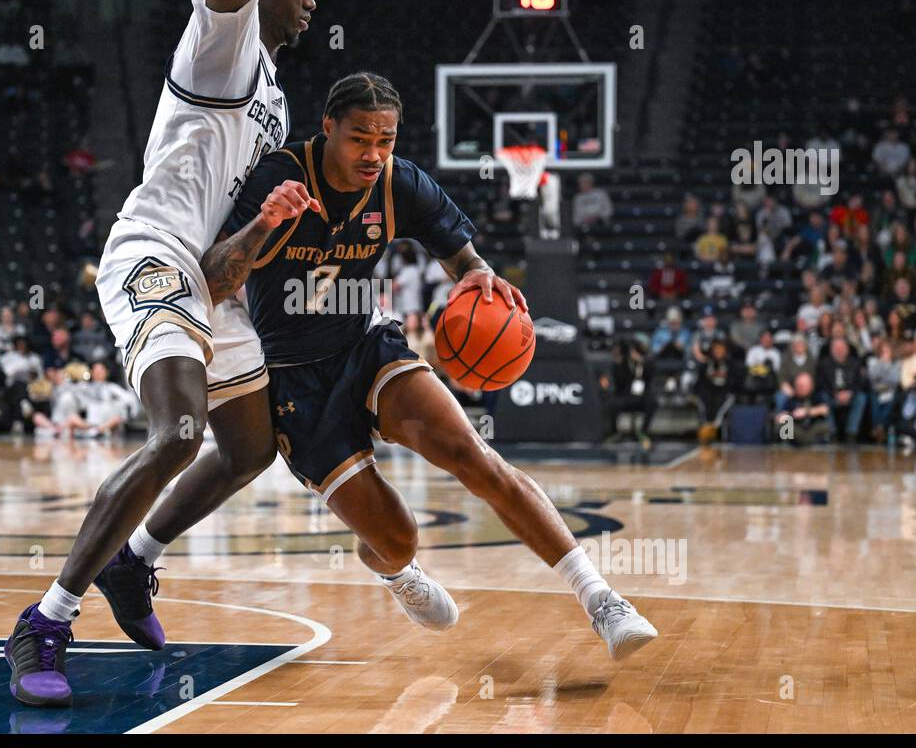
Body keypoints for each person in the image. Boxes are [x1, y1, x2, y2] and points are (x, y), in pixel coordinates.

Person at [135, 74, 658, 663]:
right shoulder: (279, 175)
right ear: (327, 127)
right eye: (361, 138)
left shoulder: (397, 182)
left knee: (472, 455)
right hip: (293, 378)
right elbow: (212, 281)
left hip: (366, 343)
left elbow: (461, 254)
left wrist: (478, 273)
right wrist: (264, 224)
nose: (374, 153)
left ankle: (600, 598)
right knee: (395, 537)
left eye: (385, 139)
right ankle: (394, 570)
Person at [5, 0, 332, 709]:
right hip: (151, 249)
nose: (311, 0)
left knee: (253, 447)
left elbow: (223, 261)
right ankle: (44, 621)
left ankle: (133, 559)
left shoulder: (275, 101)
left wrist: (261, 235)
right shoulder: (222, 39)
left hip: (203, 274)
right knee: (180, 430)